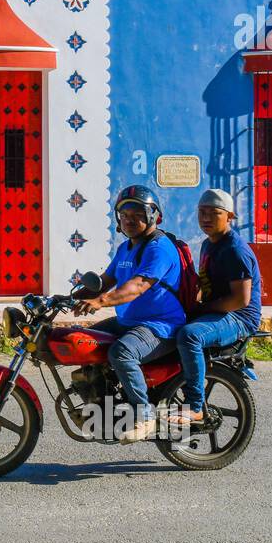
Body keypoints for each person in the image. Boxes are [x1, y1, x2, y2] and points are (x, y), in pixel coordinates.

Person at [73, 185, 186, 443]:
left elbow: (137, 285)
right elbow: (106, 280)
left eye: (137, 213)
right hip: (128, 321)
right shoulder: (126, 248)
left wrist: (101, 301)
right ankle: (99, 411)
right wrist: (70, 296)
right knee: (82, 340)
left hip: (160, 326)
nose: (130, 219)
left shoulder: (160, 247)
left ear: (153, 216)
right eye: (124, 214)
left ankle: (144, 416)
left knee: (121, 352)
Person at [171, 189, 262, 425]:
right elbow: (204, 282)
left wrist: (202, 309)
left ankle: (195, 406)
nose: (207, 218)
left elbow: (240, 300)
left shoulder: (235, 250)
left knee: (190, 336)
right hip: (217, 310)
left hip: (239, 317)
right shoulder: (208, 244)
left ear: (229, 216)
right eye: (202, 212)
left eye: (214, 213)